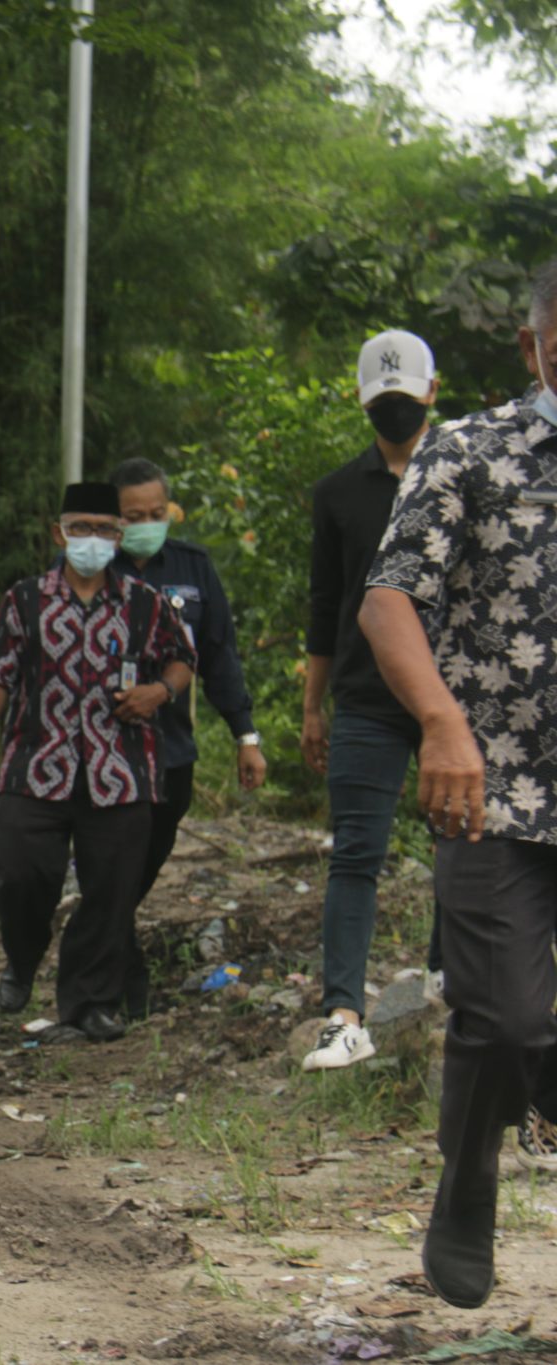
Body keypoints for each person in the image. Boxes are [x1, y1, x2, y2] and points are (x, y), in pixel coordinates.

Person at [358, 259, 557, 1311]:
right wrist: (439, 722)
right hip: (496, 791)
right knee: (506, 1022)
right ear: (533, 344)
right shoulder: (470, 452)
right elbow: (389, 601)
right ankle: (466, 1185)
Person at [0, 482, 195, 1044]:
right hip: (37, 763)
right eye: (80, 528)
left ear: (120, 536)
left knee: (111, 890)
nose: (93, 540)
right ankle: (23, 955)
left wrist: (159, 693)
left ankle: (92, 1001)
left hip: (122, 769)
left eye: (105, 529)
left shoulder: (144, 602)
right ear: (58, 533)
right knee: (18, 871)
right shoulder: (25, 600)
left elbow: (183, 659)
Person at [299, 329, 442, 1071]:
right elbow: (328, 601)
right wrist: (312, 703)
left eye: (405, 399)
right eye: (382, 401)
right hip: (363, 693)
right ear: (364, 403)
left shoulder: (460, 476)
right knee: (356, 851)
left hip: (452, 693)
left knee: (466, 841)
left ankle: (452, 982)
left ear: (431, 394)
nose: (395, 411)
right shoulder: (338, 493)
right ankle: (343, 1013)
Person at [106, 458, 265, 1016]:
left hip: (170, 752)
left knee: (143, 864)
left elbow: (219, 655)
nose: (145, 523)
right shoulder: (86, 567)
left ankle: (104, 946)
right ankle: (123, 983)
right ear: (112, 518)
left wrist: (246, 736)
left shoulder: (193, 568)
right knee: (114, 868)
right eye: (132, 516)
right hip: (102, 754)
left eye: (155, 513)